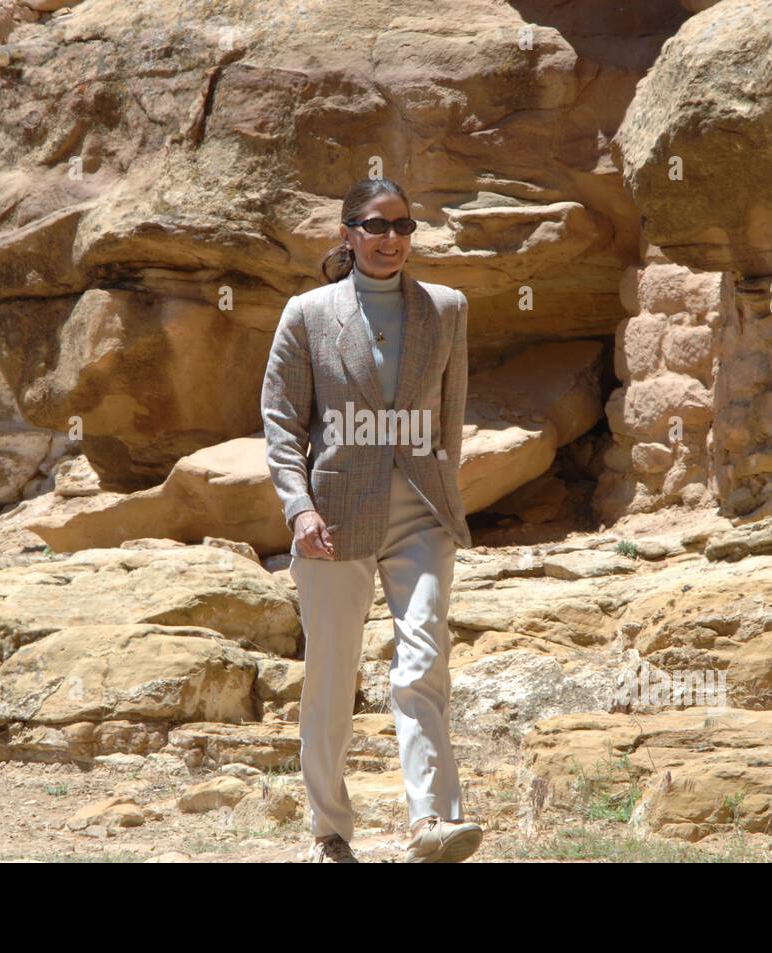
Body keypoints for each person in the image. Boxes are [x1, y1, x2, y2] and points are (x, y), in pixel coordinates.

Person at [261, 177, 484, 863]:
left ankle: (432, 823)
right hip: (333, 517)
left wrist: (446, 493)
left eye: (404, 227)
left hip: (422, 510)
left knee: (423, 659)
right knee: (330, 676)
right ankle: (330, 832)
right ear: (347, 234)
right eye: (376, 226)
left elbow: (449, 414)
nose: (392, 240)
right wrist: (298, 508)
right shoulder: (307, 314)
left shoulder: (446, 308)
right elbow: (280, 422)